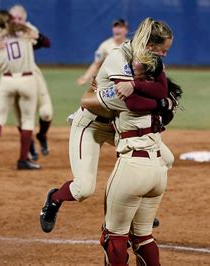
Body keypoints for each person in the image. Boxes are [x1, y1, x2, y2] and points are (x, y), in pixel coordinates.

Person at [39, 18, 174, 242]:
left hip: (118, 126)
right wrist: (164, 104)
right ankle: (54, 199)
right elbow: (133, 101)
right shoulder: (118, 58)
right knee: (83, 189)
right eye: (163, 50)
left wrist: (158, 97)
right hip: (91, 124)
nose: (165, 55)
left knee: (166, 159)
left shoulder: (149, 59)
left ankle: (139, 212)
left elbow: (159, 90)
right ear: (150, 46)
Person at [0, 10, 41, 170]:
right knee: (27, 120)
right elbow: (44, 41)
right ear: (13, 20)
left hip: (6, 79)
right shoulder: (24, 30)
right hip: (27, 79)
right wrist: (28, 32)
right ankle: (22, 160)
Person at [9, 4, 53, 158]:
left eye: (20, 18)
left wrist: (37, 37)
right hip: (11, 77)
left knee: (46, 113)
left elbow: (46, 43)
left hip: (32, 74)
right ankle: (29, 145)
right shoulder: (2, 32)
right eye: (13, 18)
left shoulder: (27, 29)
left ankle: (41, 135)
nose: (16, 21)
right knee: (21, 118)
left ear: (24, 19)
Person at [76, 19, 129, 86]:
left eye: (120, 27)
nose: (117, 29)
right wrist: (85, 77)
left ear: (126, 30)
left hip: (126, 80)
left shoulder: (130, 45)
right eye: (115, 27)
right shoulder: (105, 45)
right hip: (108, 80)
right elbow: (96, 64)